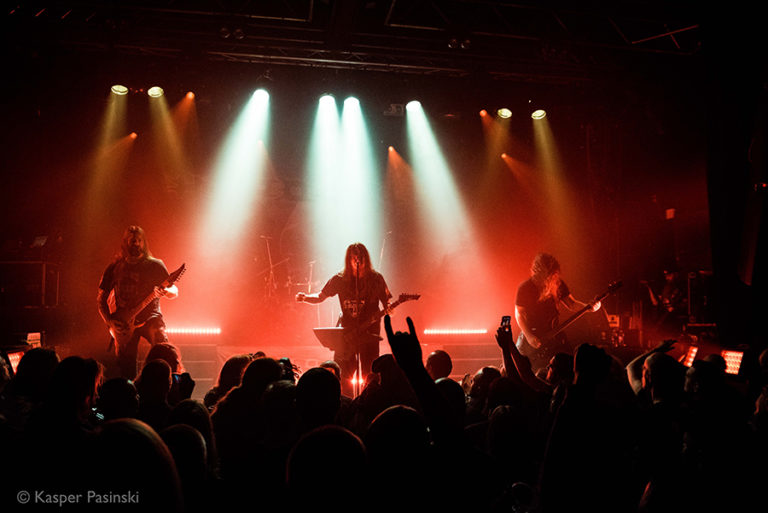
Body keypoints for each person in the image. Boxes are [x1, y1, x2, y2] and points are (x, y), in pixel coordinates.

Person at [296, 243, 391, 396]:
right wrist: (305, 298)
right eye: (354, 257)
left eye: (361, 257)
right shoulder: (339, 279)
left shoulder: (376, 279)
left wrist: (390, 309)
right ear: (349, 259)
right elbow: (320, 296)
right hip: (347, 335)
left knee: (370, 373)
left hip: (370, 334)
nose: (358, 260)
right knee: (344, 373)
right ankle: (345, 402)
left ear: (366, 258)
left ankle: (368, 402)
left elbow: (387, 302)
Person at [98, 225, 179, 379]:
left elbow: (174, 291)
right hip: (124, 323)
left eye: (139, 240)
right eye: (132, 240)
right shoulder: (115, 268)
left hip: (151, 318)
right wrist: (109, 322)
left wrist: (165, 291)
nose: (136, 244)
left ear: (144, 243)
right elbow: (101, 299)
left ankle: (163, 384)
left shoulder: (155, 265)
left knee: (163, 351)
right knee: (126, 368)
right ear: (125, 243)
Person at [514, 253, 600, 372]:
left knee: (567, 366)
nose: (553, 279)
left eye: (555, 275)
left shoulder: (558, 284)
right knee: (523, 368)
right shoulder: (526, 287)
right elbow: (519, 314)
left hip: (553, 334)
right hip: (532, 334)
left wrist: (589, 307)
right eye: (550, 276)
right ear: (539, 275)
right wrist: (529, 336)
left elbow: (572, 304)